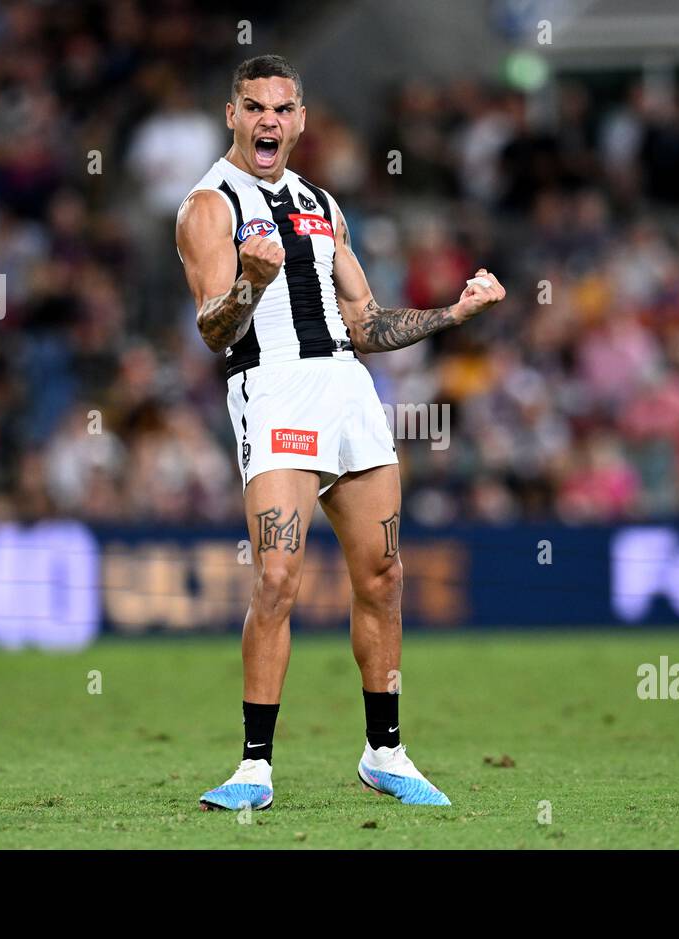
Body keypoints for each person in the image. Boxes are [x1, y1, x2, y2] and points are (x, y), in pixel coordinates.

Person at [175, 55, 505, 809]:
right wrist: (252, 282)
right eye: (254, 107)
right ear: (232, 115)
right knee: (279, 576)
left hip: (347, 391)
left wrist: (453, 314)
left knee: (384, 576)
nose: (268, 120)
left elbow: (365, 321)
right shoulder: (209, 205)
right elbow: (212, 327)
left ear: (300, 119)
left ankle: (385, 751)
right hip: (276, 389)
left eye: (282, 109)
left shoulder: (322, 204)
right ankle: (254, 766)